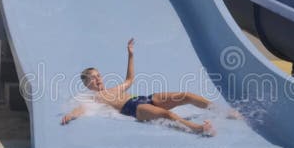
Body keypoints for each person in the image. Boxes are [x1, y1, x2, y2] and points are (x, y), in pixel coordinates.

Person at [60, 38, 215, 136]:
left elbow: (129, 80)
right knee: (166, 114)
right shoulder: (94, 98)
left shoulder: (113, 89)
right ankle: (197, 128)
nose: (98, 79)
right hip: (134, 108)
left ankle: (219, 110)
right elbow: (82, 109)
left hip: (144, 98)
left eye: (98, 75)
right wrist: (71, 115)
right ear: (87, 84)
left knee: (186, 96)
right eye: (93, 78)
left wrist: (131, 55)